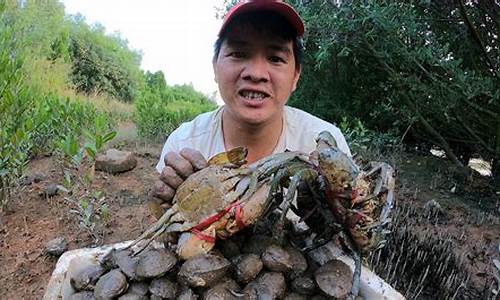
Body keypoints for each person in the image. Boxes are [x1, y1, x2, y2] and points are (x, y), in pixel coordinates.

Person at [149, 0, 351, 217]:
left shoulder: (326, 148)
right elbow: (162, 230)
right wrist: (166, 206)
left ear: (295, 76)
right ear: (215, 67)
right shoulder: (185, 143)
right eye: (238, 54)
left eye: (275, 58)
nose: (256, 73)